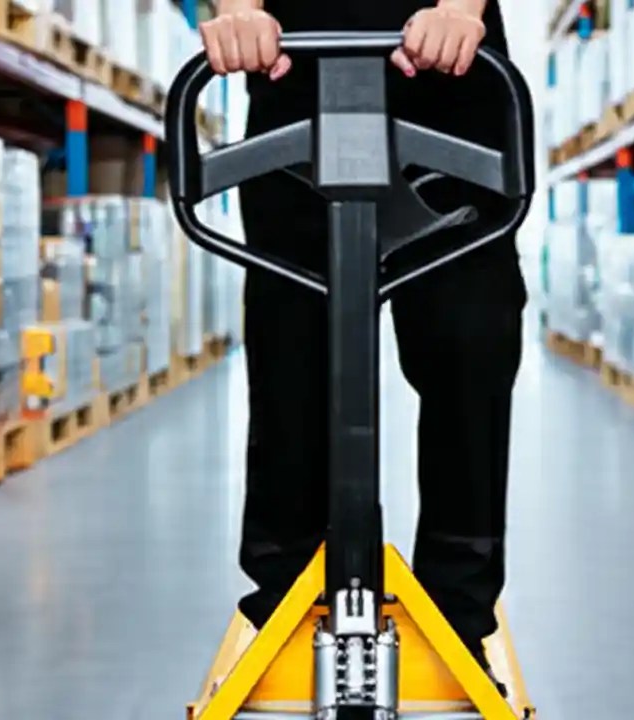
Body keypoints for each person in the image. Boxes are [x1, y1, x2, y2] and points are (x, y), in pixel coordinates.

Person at [198, 0, 525, 677]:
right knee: (292, 354)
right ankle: (286, 594)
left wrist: (462, 10)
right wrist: (234, 12)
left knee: (469, 339)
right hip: (294, 86)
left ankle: (457, 611)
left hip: (453, 85)